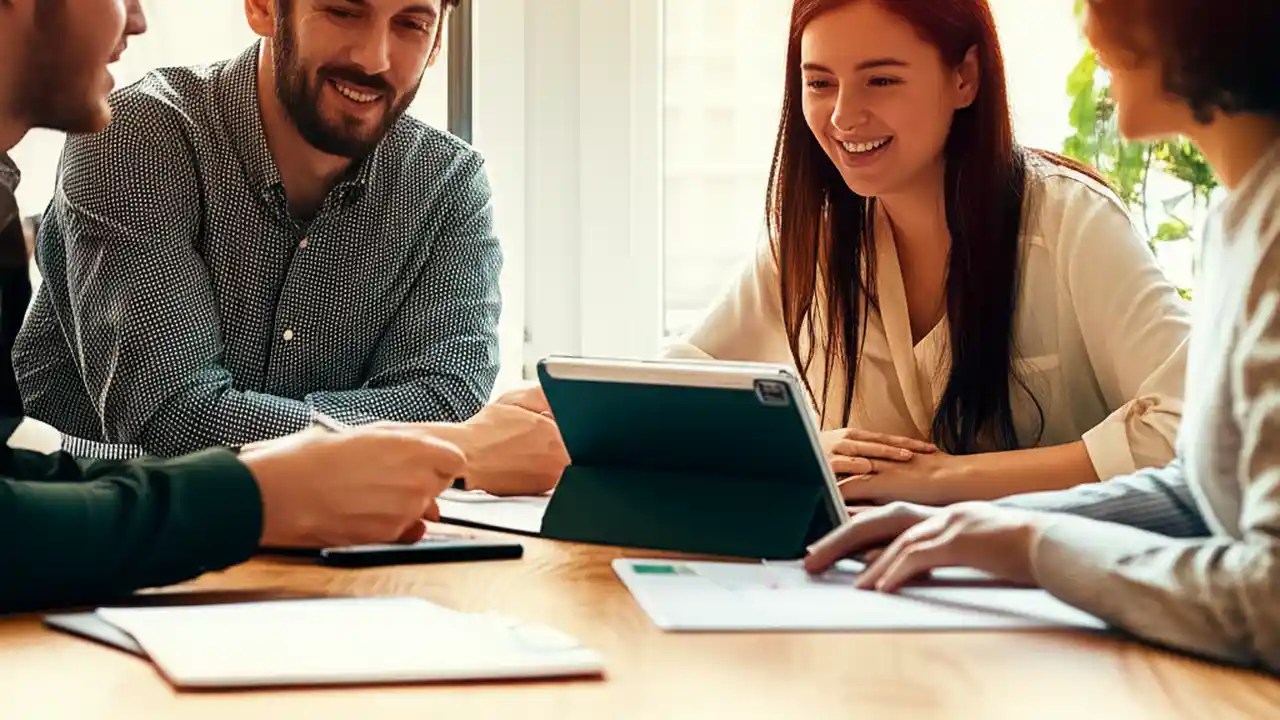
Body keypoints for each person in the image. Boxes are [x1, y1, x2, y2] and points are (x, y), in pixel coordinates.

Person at [806, 0, 1280, 673]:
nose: (1086, 25)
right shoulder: (1242, 213)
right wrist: (982, 527)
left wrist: (1035, 545)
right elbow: (1201, 494)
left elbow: (1267, 600)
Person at [0, 0, 491, 612]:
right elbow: (173, 419)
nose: (375, 58)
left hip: (328, 586)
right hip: (95, 599)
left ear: (439, 39)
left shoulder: (448, 182)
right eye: (342, 11)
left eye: (411, 24)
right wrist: (459, 448)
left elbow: (444, 394)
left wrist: (418, 446)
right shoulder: (135, 134)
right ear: (262, 8)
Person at [664, 0, 1190, 505]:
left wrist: (943, 477)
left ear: (964, 77)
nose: (843, 117)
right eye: (820, 83)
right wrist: (798, 451)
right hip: (867, 584)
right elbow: (660, 408)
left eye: (882, 80)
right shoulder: (812, 245)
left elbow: (1194, 428)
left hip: (1056, 581)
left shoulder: (1072, 221)